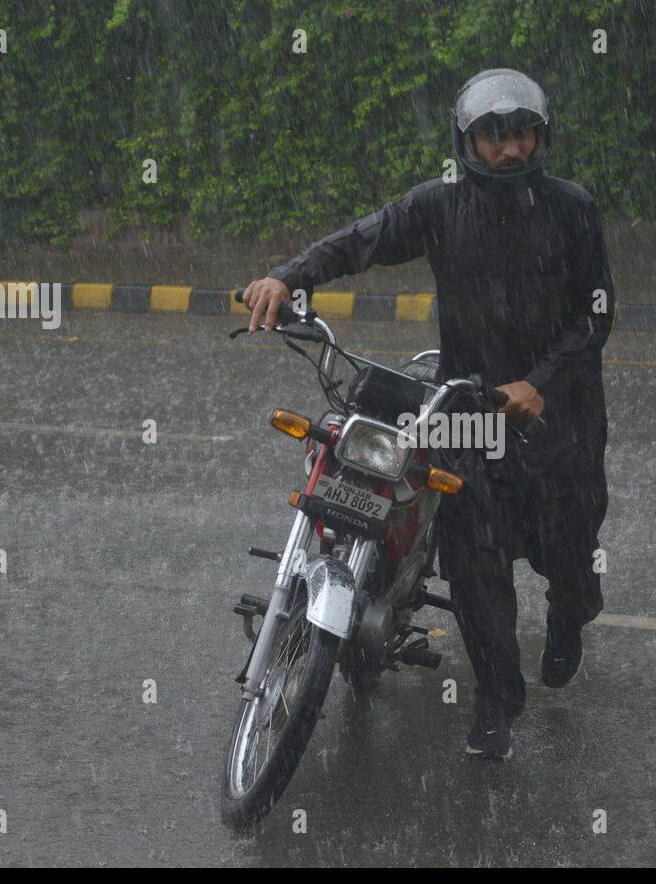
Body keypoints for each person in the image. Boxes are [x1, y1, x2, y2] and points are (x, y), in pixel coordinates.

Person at [242, 68, 614, 760]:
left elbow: (596, 317)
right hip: (466, 413)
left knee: (570, 557)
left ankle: (570, 615)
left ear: (542, 137)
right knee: (475, 565)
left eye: (523, 134)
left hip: (560, 421)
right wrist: (289, 275)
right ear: (468, 141)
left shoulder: (573, 209)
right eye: (494, 136)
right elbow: (362, 240)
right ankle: (497, 701)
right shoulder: (438, 205)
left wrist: (539, 382)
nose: (511, 150)